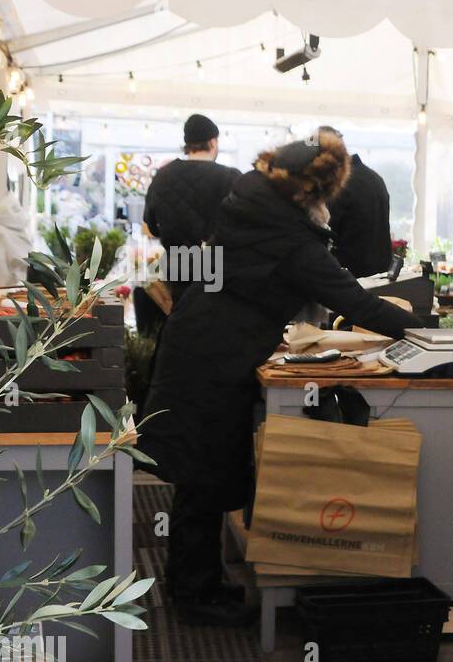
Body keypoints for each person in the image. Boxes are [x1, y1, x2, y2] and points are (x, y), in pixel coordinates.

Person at [139, 129, 422, 626]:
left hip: (198, 341)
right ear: (313, 193)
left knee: (198, 475)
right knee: (203, 476)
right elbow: (352, 301)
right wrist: (430, 330)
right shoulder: (291, 240)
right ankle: (194, 597)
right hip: (214, 355)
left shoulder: (249, 204)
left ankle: (195, 585)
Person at [139, 114, 241, 332]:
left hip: (177, 267)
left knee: (181, 327)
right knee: (215, 329)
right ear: (213, 142)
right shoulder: (230, 178)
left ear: (188, 144)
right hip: (219, 269)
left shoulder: (164, 176)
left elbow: (152, 225)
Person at [320, 126, 393, 277]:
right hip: (380, 272)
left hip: (354, 276)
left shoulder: (342, 183)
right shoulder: (374, 177)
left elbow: (325, 231)